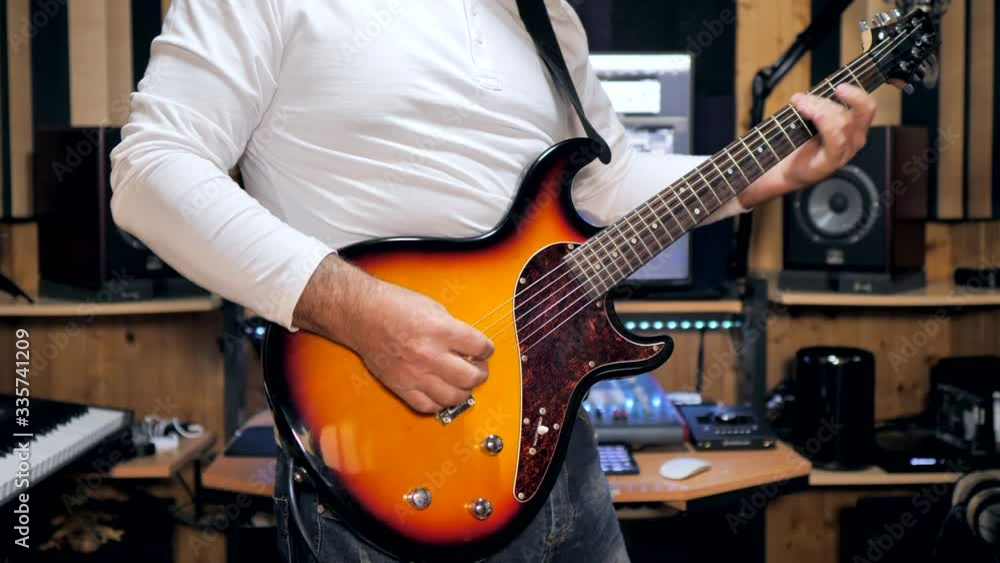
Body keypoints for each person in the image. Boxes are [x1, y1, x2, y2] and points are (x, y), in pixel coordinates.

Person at [109, 1, 877, 561]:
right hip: (383, 461)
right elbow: (152, 169)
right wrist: (362, 313)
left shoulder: (544, 15)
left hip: (556, 445)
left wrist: (776, 168)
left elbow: (608, 184)